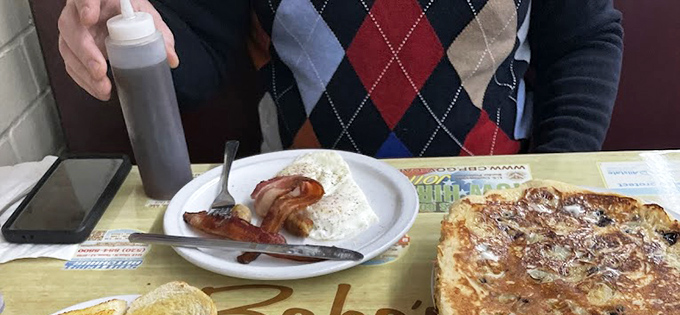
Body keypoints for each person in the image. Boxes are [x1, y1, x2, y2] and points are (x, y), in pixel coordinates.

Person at [58, 0, 623, 157]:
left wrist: (556, 183)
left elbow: (584, 41)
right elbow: (199, 62)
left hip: (498, 201)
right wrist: (132, 39)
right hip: (300, 211)